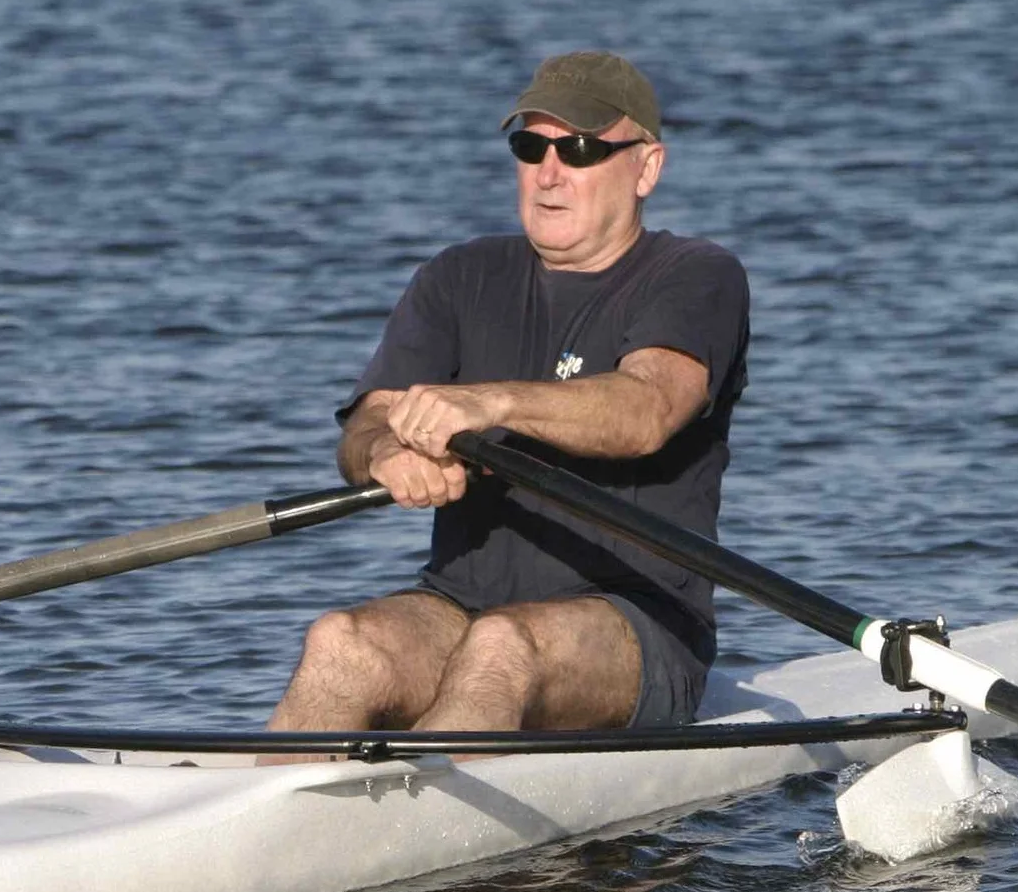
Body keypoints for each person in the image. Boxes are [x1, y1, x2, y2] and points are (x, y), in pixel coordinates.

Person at [267, 51, 750, 740]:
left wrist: (486, 405)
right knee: (340, 643)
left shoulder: (697, 277)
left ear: (646, 167)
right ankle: (254, 828)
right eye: (531, 146)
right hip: (457, 606)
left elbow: (645, 409)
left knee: (501, 649)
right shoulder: (459, 276)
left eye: (580, 149)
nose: (549, 173)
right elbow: (370, 420)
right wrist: (384, 453)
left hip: (636, 625)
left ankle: (420, 836)